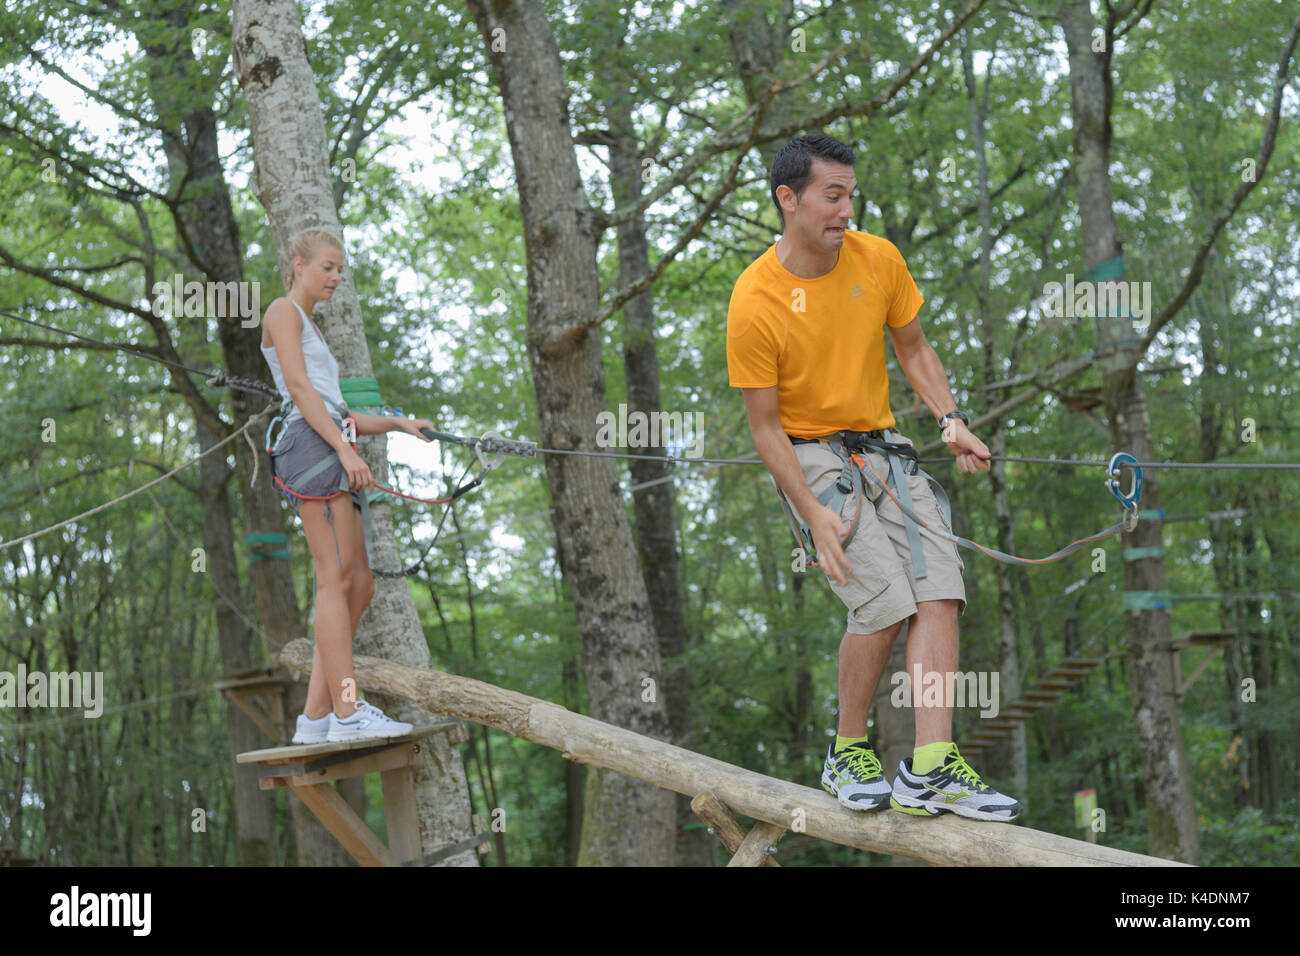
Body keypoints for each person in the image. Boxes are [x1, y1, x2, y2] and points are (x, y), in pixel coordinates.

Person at [726, 134, 1022, 821]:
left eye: (851, 195)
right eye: (833, 196)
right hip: (807, 454)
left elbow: (912, 346)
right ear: (788, 199)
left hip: (883, 446)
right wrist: (811, 512)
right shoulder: (756, 299)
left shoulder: (877, 258)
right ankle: (848, 748)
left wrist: (950, 419)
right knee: (884, 599)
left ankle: (930, 769)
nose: (846, 209)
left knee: (941, 591)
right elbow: (764, 428)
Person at [260, 228, 432, 745]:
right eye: (327, 267)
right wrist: (343, 447)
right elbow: (297, 390)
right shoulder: (281, 312)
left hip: (328, 439)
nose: (336, 277)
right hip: (312, 447)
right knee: (333, 578)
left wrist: (399, 424)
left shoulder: (309, 326)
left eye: (340, 269)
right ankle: (349, 710)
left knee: (360, 584)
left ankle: (317, 717)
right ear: (298, 265)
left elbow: (336, 407)